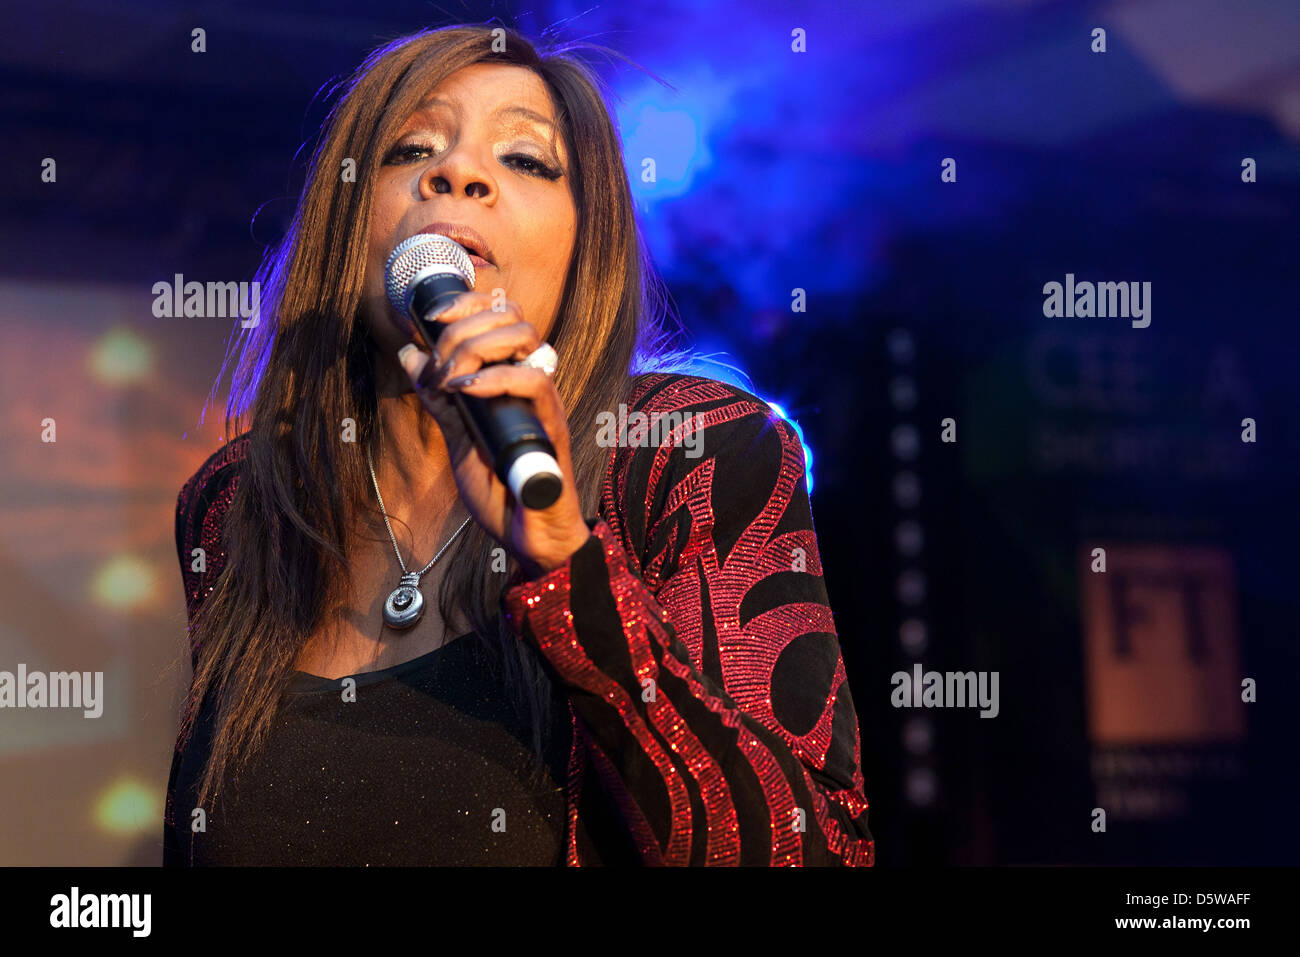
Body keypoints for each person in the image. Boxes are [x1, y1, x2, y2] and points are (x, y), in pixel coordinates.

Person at [163, 23, 874, 866]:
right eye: (409, 148)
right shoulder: (239, 502)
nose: (456, 172)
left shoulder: (687, 451)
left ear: (586, 245)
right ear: (345, 222)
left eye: (527, 161)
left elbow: (808, 853)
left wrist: (570, 564)